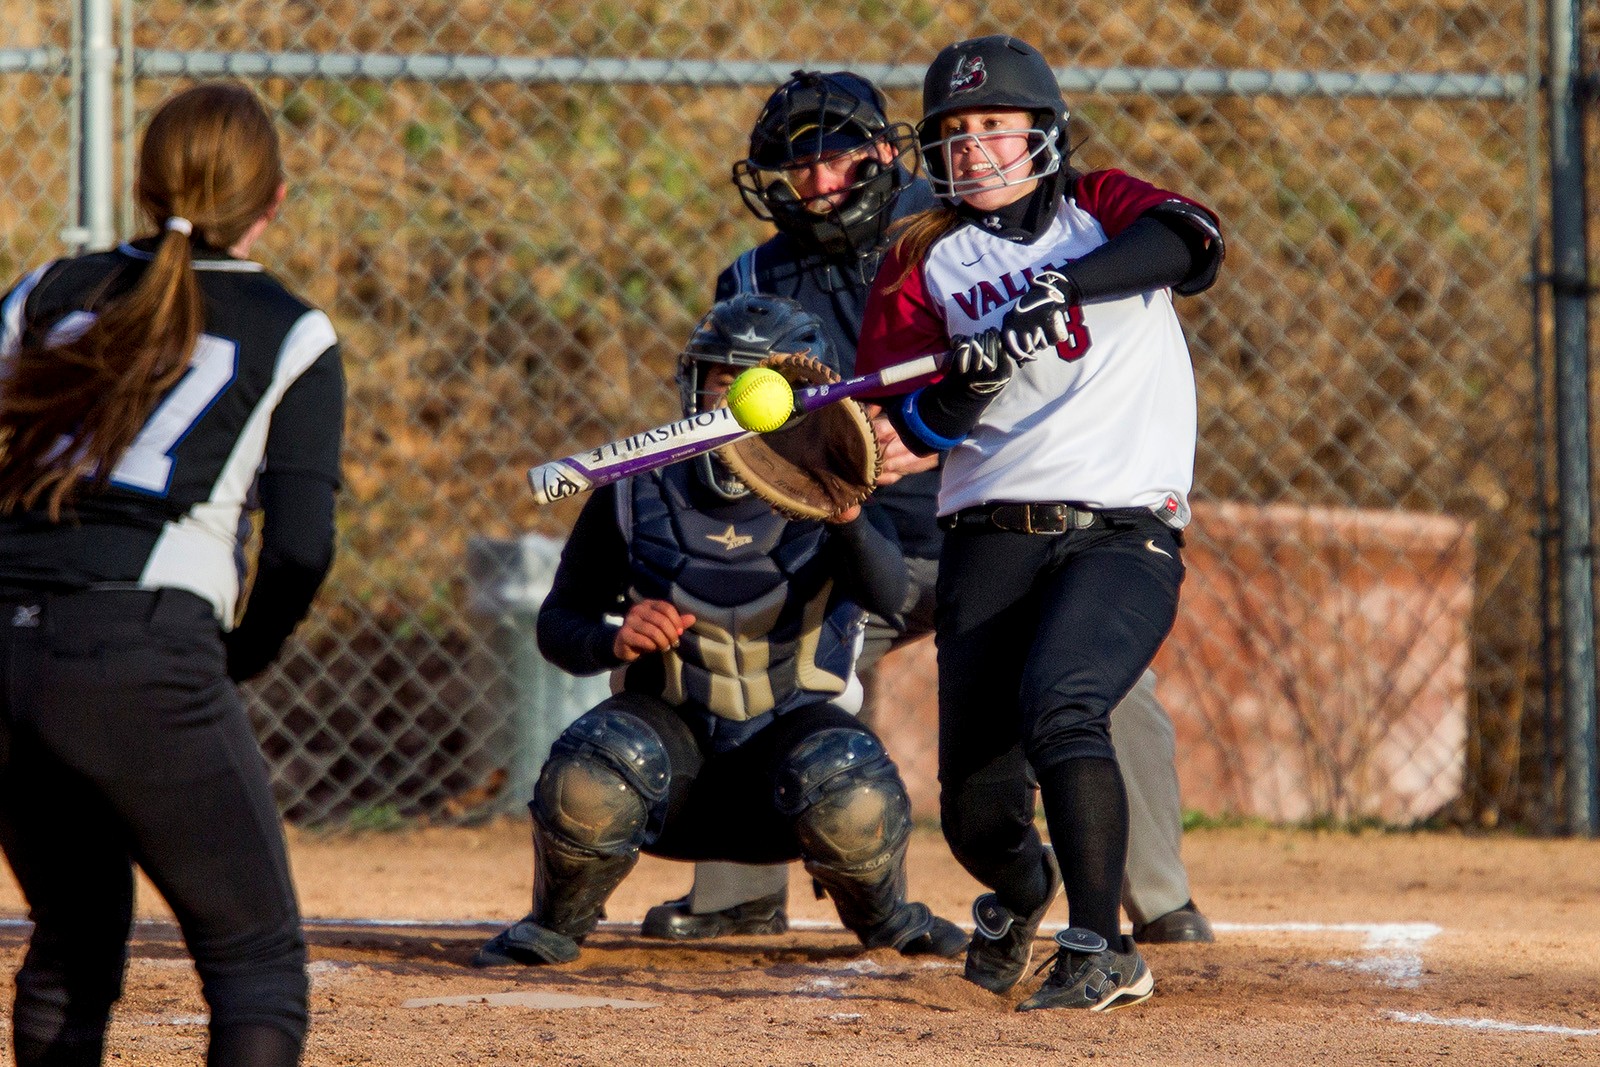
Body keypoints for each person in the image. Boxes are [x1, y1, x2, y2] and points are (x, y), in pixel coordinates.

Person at [641, 69, 1215, 954]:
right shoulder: (757, 275)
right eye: (798, 169)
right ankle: (744, 881)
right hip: (856, 534)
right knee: (759, 638)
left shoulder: (953, 217)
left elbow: (1168, 244)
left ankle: (1156, 896)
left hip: (993, 515)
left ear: (885, 153)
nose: (819, 184)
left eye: (836, 159)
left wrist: (954, 399)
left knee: (1097, 681)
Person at [855, 35, 1225, 1012]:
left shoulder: (1096, 210)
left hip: (1122, 526)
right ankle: (1020, 892)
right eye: (954, 131)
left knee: (1066, 700)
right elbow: (908, 424)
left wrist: (1067, 283)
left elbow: (1191, 244)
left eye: (992, 124)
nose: (974, 146)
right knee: (976, 811)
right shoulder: (920, 256)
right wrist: (964, 388)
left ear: (1039, 130)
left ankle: (1103, 946)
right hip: (990, 531)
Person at [0, 82, 343, 1065]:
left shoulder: (45, 291)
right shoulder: (292, 327)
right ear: (272, 199)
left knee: (71, 942)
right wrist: (241, 654)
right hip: (135, 643)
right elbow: (299, 547)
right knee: (256, 960)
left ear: (143, 188)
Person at [471, 293, 966, 969]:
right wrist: (612, 637)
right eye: (717, 381)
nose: (728, 401)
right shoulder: (634, 491)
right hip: (670, 779)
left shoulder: (832, 493)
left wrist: (846, 511)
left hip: (789, 783)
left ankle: (889, 921)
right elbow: (560, 624)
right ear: (691, 386)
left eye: (753, 385)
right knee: (592, 769)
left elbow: (890, 595)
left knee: (849, 782)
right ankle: (553, 924)